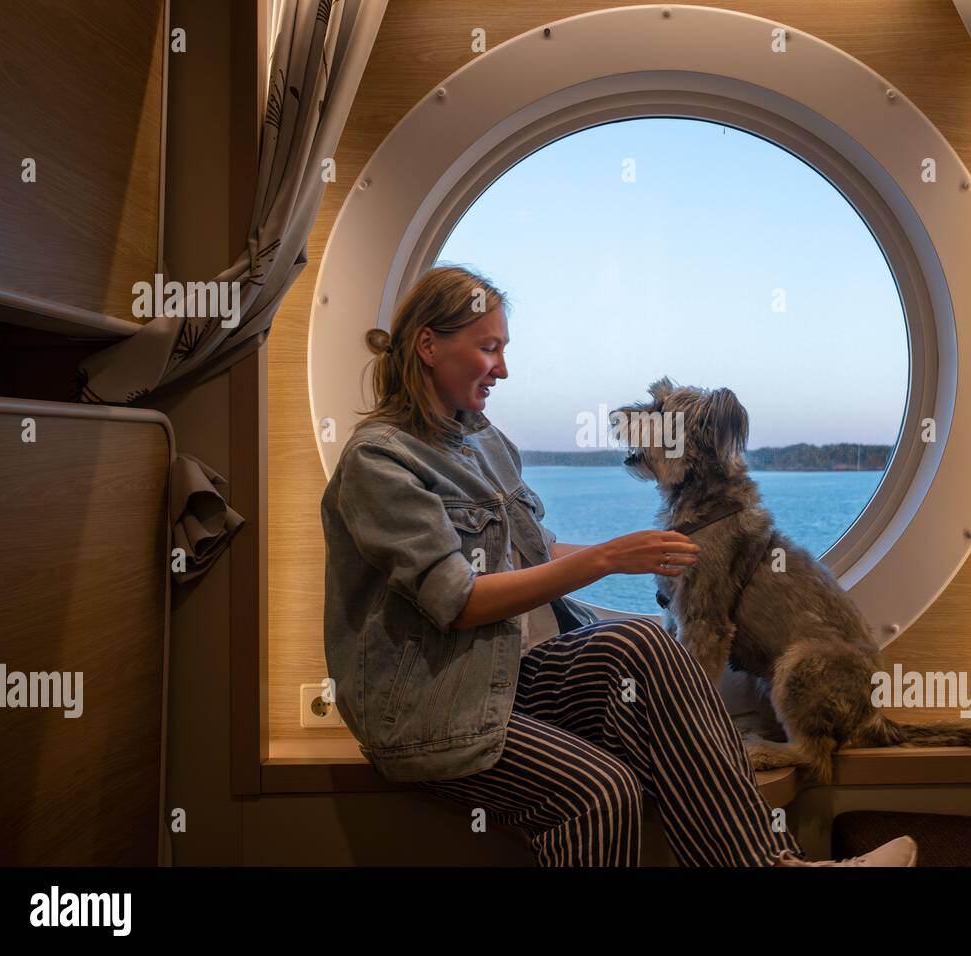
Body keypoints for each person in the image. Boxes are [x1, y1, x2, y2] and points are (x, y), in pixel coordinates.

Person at [320, 263, 917, 867]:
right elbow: (461, 600)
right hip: (438, 703)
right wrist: (608, 558)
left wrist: (630, 554)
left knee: (641, 647)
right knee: (605, 790)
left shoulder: (485, 443)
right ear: (428, 345)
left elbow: (534, 552)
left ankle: (775, 865)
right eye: (489, 348)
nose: (503, 368)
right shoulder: (380, 462)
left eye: (503, 350)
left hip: (513, 675)